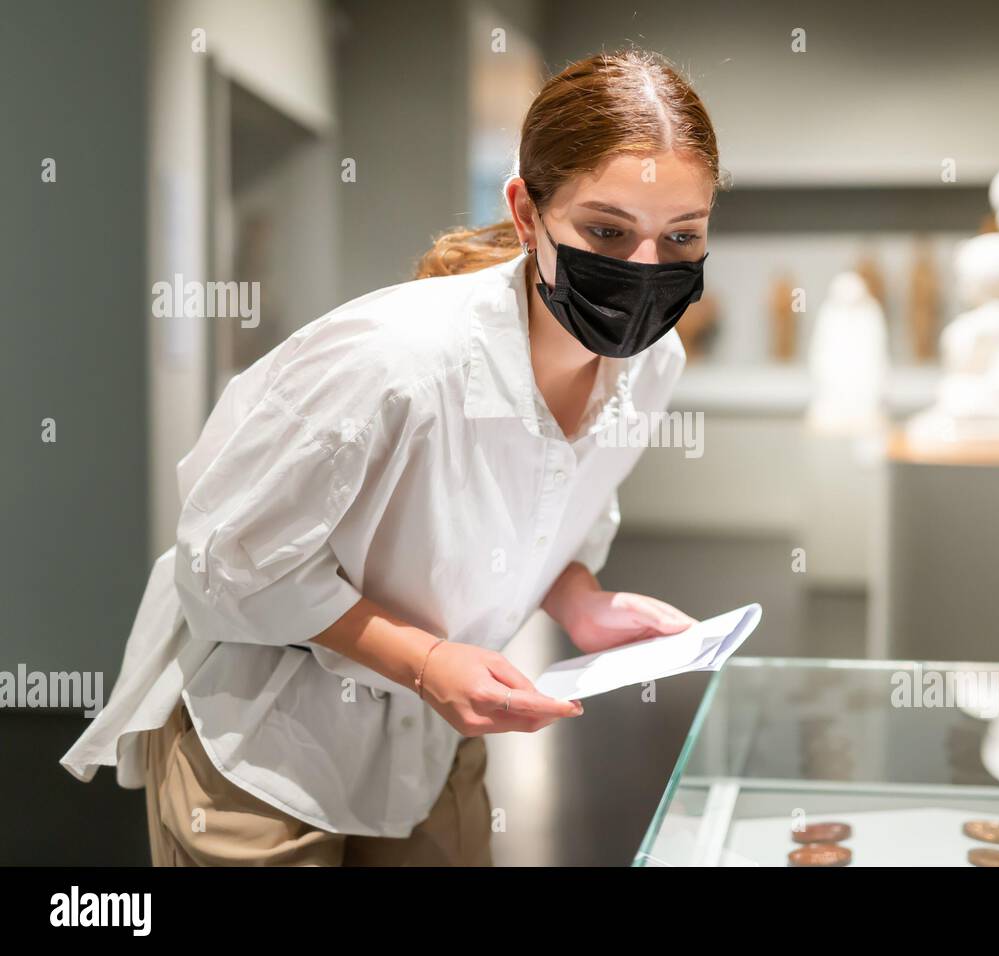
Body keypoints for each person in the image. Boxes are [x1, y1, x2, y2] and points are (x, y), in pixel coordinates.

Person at [59, 47, 719, 866]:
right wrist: (427, 659)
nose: (645, 270)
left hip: (428, 733)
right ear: (527, 214)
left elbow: (549, 507)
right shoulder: (392, 360)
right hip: (269, 737)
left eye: (682, 236)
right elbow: (228, 564)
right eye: (607, 231)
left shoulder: (652, 363)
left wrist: (578, 598)